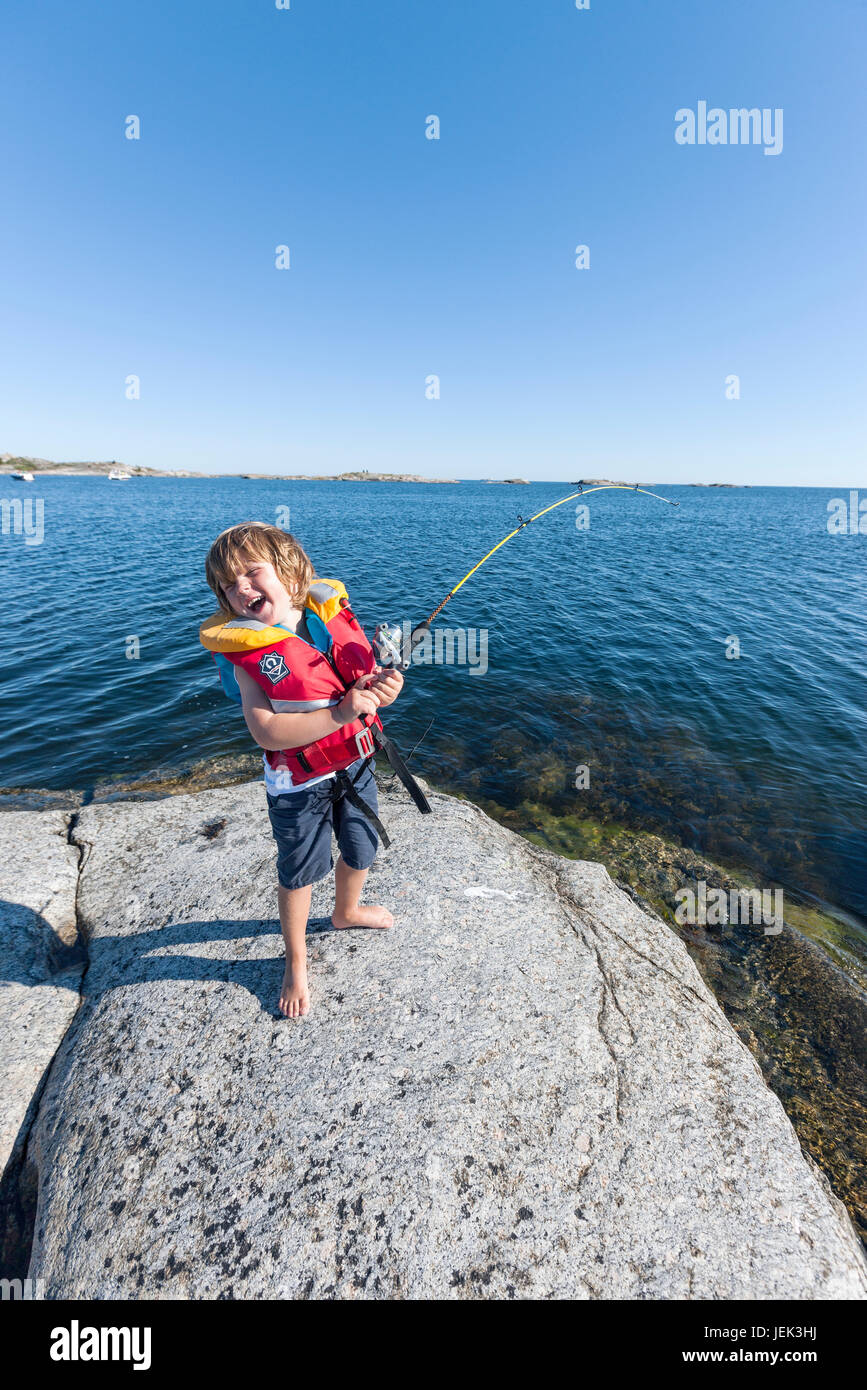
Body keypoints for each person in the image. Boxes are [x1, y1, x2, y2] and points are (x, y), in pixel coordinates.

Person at [200, 522, 404, 1019]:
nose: (241, 588)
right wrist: (338, 714)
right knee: (301, 870)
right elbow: (267, 732)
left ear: (292, 574)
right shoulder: (249, 654)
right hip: (298, 783)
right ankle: (295, 959)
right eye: (228, 584)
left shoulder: (324, 620)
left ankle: (346, 911)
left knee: (362, 846)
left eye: (251, 572)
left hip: (354, 765)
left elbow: (359, 690)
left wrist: (383, 690)